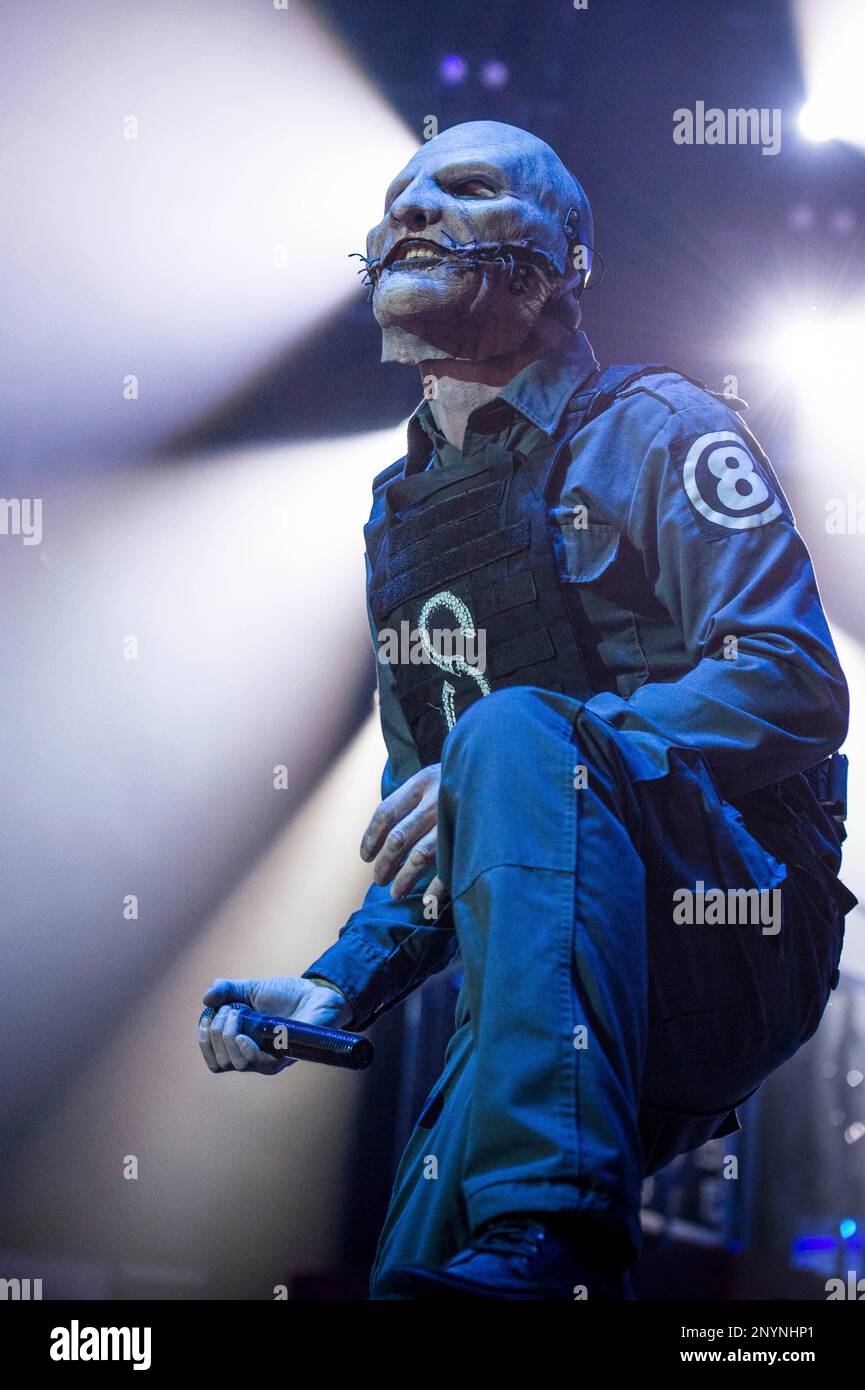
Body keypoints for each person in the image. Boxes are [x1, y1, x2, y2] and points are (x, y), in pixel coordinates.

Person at [199, 122, 856, 1300]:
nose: (414, 209)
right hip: (551, 976)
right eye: (399, 197)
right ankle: (524, 1235)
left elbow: (796, 679)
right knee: (419, 1267)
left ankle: (552, 1240)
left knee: (510, 734)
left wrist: (565, 747)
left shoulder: (660, 430)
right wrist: (339, 984)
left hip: (734, 923)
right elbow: (436, 825)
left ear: (568, 257)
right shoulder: (400, 518)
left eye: (467, 188)